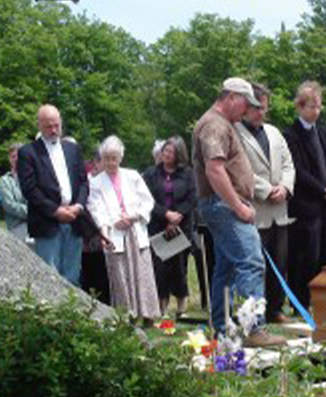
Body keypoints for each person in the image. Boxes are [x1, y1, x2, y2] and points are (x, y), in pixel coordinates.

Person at [193, 77, 285, 347]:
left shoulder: (222, 124)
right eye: (246, 103)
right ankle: (252, 329)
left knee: (227, 267)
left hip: (222, 204)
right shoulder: (214, 125)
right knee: (251, 262)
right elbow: (215, 169)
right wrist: (238, 206)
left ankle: (221, 327)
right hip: (225, 206)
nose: (247, 110)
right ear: (231, 97)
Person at [236, 83, 296, 323]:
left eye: (264, 108)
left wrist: (285, 187)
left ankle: (275, 309)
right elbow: (241, 170)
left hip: (280, 211)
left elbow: (288, 164)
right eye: (256, 108)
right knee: (256, 265)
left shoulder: (274, 132)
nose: (261, 112)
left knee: (280, 263)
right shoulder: (236, 133)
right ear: (246, 107)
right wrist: (267, 190)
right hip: (255, 209)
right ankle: (255, 312)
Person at [88, 135, 160, 324]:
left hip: (136, 230)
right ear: (101, 159)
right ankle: (126, 315)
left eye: (114, 158)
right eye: (106, 158)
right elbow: (96, 209)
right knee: (119, 275)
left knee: (142, 273)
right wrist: (107, 228)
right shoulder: (95, 182)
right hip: (115, 234)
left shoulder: (133, 175)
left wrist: (134, 216)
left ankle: (147, 313)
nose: (110, 163)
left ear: (120, 157)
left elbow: (147, 201)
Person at [284, 81, 326, 310]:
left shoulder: (323, 132)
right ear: (299, 106)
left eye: (318, 107)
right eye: (311, 107)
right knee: (306, 255)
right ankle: (301, 301)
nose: (316, 112)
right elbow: (298, 171)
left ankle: (324, 298)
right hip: (306, 205)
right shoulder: (291, 135)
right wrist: (323, 190)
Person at [18, 104, 89, 286]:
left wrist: (78, 206)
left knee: (73, 276)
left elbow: (83, 182)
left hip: (74, 220)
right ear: (39, 125)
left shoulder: (72, 149)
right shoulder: (28, 152)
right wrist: (56, 211)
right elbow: (29, 189)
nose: (54, 130)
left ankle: (73, 314)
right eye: (49, 126)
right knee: (50, 277)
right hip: (47, 222)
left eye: (57, 125)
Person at [143, 135, 197, 318]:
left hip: (181, 227)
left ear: (179, 154)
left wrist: (176, 216)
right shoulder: (151, 173)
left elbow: (192, 198)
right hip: (158, 225)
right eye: (165, 150)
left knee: (179, 266)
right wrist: (166, 215)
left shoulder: (188, 174)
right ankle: (162, 305)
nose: (166, 154)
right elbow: (146, 199)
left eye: (171, 151)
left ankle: (182, 304)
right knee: (160, 268)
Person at [81, 149, 112, 304]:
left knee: (106, 277)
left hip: (107, 236)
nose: (107, 165)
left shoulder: (110, 182)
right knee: (90, 276)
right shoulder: (86, 182)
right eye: (103, 161)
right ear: (96, 163)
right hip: (88, 237)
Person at [0, 143, 31, 243]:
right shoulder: (5, 180)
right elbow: (10, 205)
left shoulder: (35, 177)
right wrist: (33, 212)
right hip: (17, 226)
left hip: (38, 225)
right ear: (9, 159)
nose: (17, 159)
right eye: (13, 157)